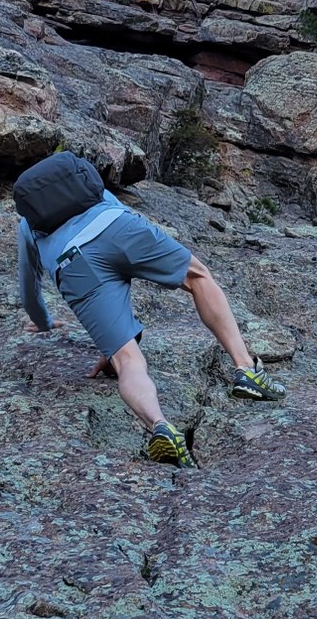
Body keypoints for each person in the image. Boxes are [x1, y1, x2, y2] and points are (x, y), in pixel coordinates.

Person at [17, 166, 283, 467]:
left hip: (74, 263)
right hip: (119, 226)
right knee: (197, 277)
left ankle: (160, 425)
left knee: (126, 360)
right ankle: (246, 369)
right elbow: (118, 234)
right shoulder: (85, 189)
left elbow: (29, 288)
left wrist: (46, 324)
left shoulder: (28, 224)